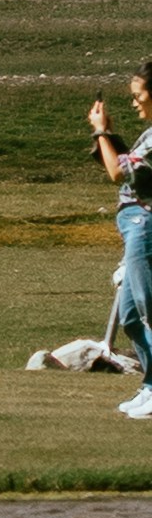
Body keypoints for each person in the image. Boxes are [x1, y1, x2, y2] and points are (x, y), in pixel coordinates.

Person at [87, 63, 152, 415]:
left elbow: (117, 173)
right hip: (134, 226)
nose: (134, 103)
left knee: (148, 309)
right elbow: (126, 164)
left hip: (146, 225)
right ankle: (150, 383)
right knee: (129, 315)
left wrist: (100, 133)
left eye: (138, 96)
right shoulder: (149, 134)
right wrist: (107, 134)